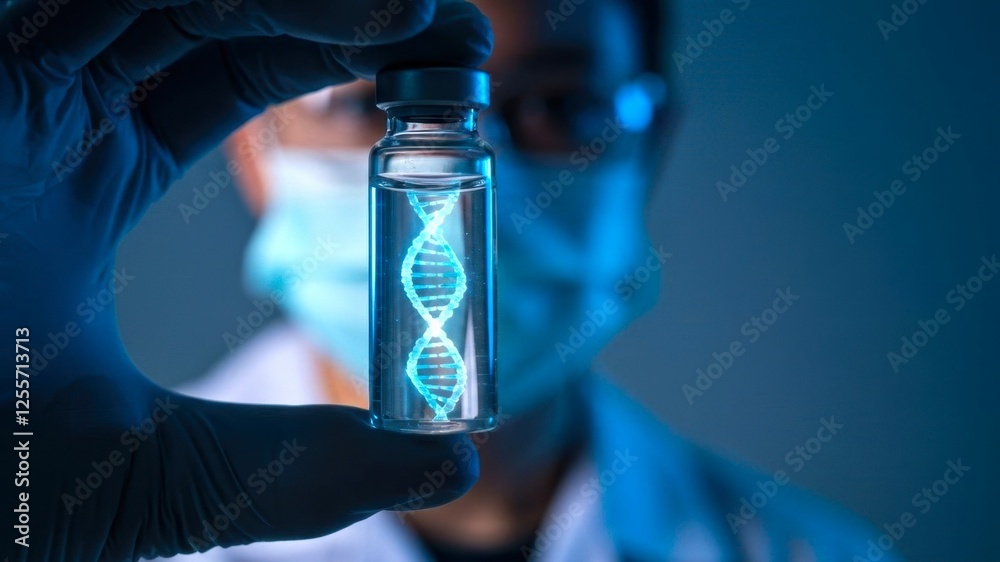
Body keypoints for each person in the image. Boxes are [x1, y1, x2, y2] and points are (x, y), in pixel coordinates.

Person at [146, 1, 904, 561]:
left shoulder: (810, 551)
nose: (458, 171)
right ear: (250, 144)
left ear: (650, 143)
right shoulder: (120, 535)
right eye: (369, 101)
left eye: (555, 105)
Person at [1, 1, 493, 561]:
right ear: (254, 155)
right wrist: (13, 500)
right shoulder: (113, 473)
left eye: (563, 105)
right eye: (357, 106)